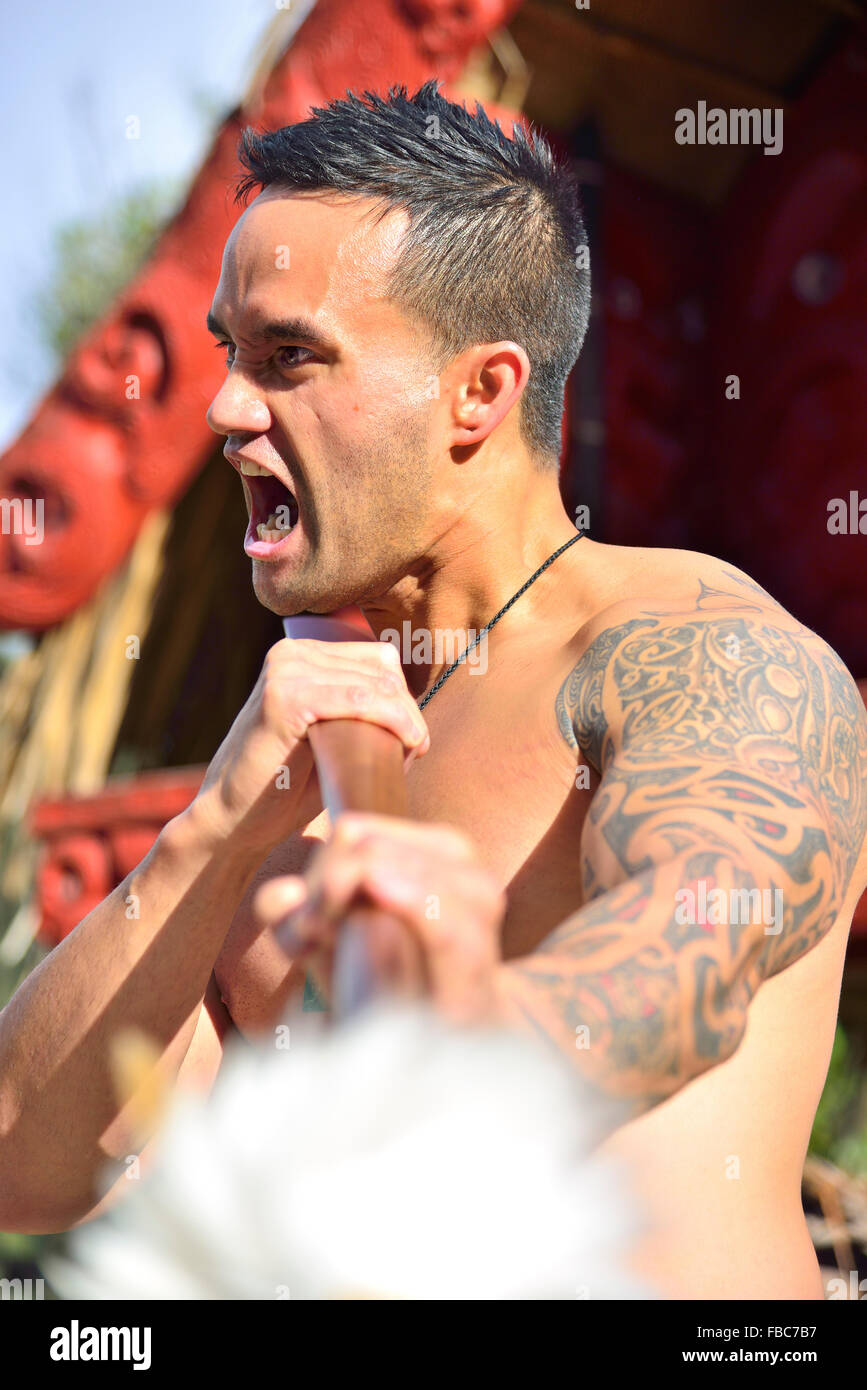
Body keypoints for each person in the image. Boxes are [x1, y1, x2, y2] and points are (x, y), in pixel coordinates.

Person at [1, 83, 865, 1300]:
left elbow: (689, 955)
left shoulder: (701, 645)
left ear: (482, 392)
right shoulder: (289, 754)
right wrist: (208, 833)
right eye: (227, 356)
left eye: (289, 357)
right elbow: (28, 1171)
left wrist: (474, 1028)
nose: (227, 409)